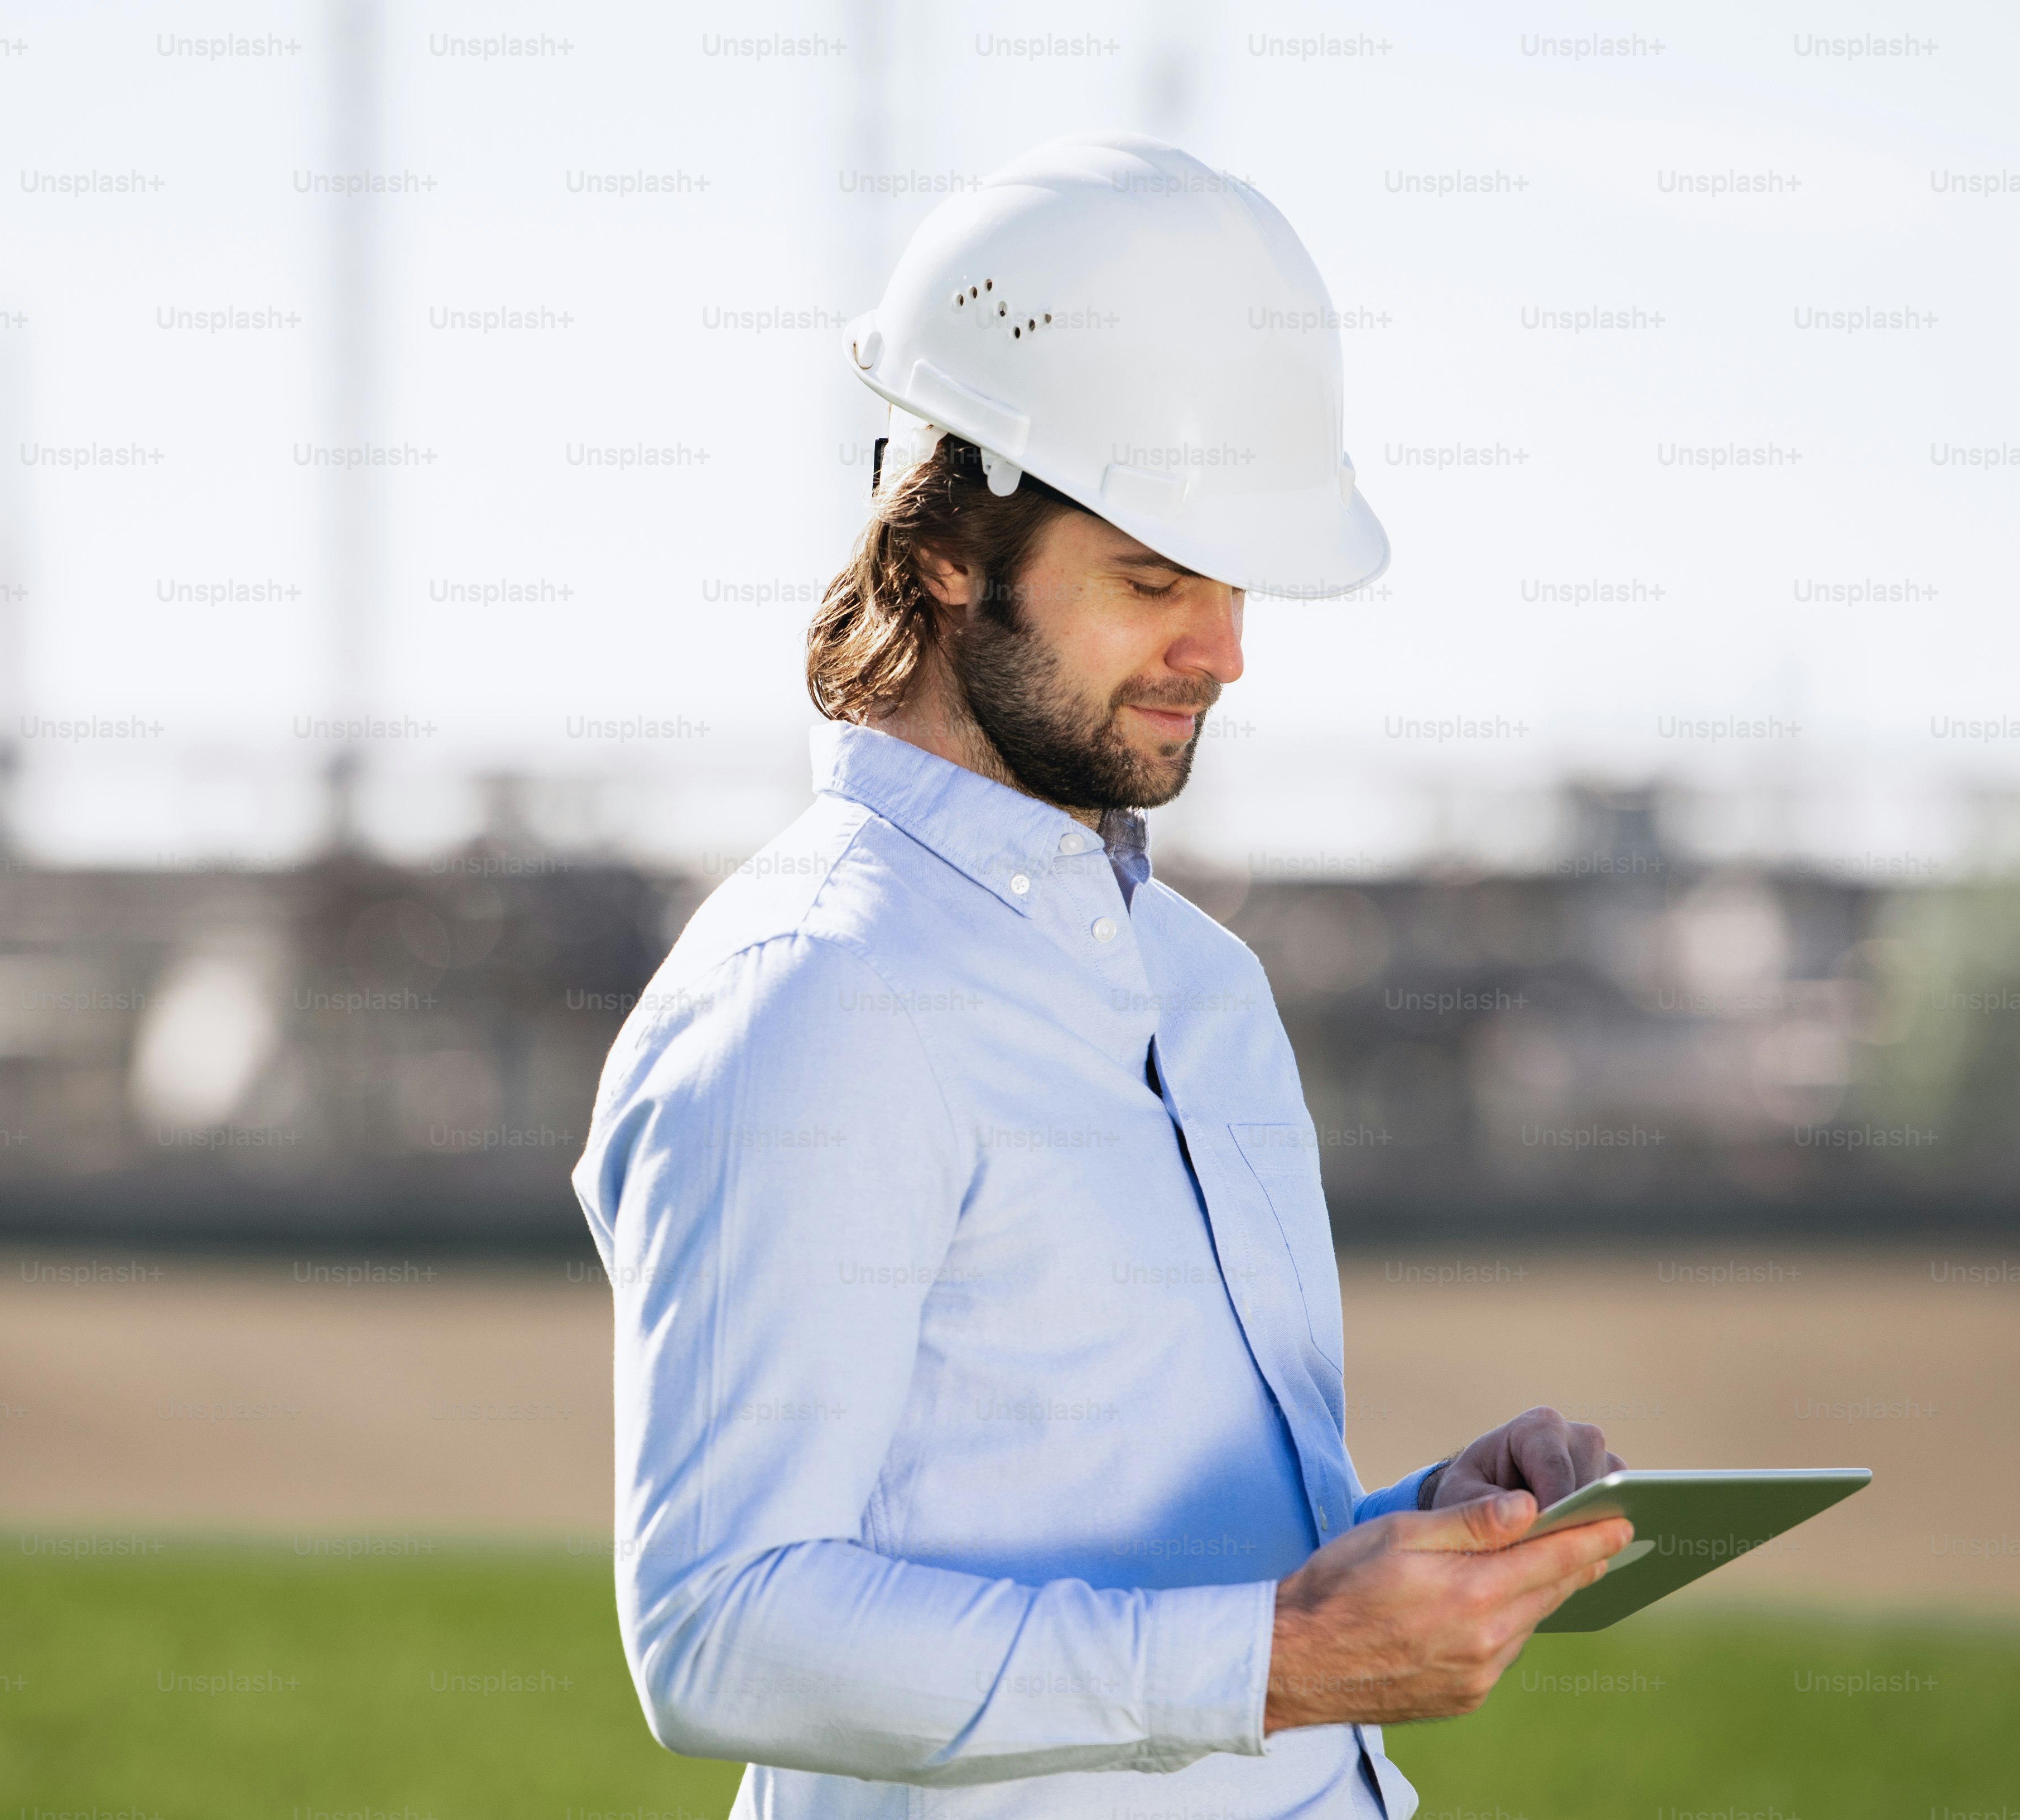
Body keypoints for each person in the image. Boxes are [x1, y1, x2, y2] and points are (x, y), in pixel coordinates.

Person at [571, 133, 1633, 1819]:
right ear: (936, 548)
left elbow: (1141, 1541)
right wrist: (1288, 1661)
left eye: (1232, 583)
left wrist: (1415, 1535)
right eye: (1151, 579)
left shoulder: (1200, 984)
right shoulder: (811, 1000)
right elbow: (720, 1627)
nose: (1220, 651)